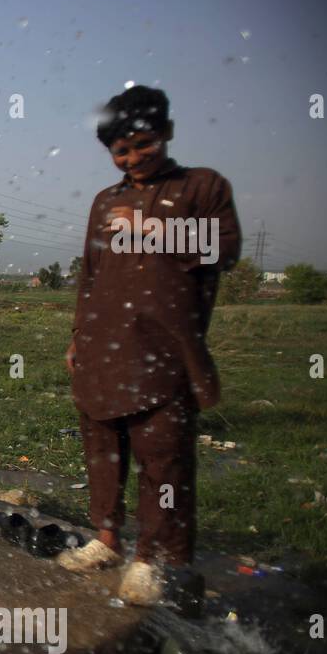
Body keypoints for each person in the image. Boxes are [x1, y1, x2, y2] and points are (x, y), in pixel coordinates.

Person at [58, 85, 240, 610]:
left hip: (164, 348)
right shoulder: (106, 201)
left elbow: (223, 249)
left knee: (163, 457)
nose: (134, 157)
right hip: (102, 342)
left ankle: (154, 558)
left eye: (143, 144)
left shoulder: (201, 188)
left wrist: (152, 230)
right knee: (102, 446)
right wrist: (76, 336)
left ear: (166, 134)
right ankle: (107, 539)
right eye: (121, 150)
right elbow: (90, 275)